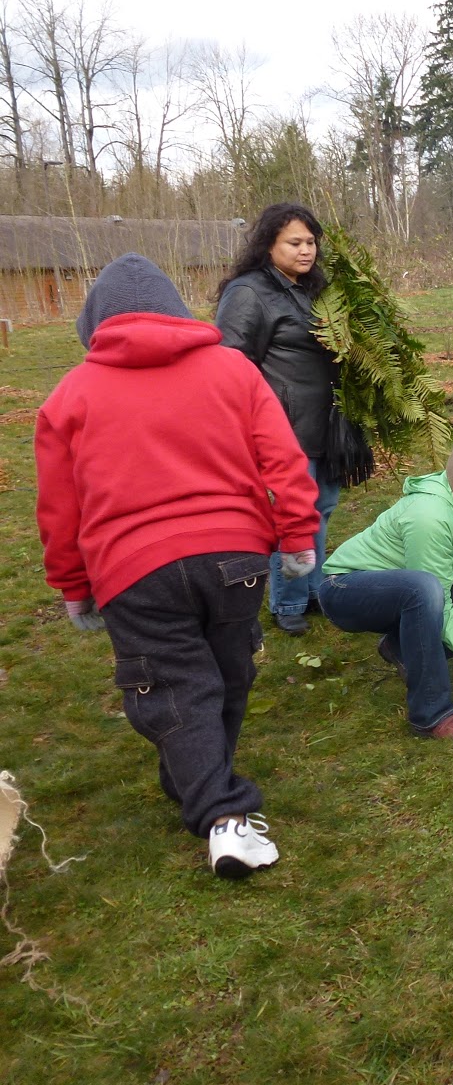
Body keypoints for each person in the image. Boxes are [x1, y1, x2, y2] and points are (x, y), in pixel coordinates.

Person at [35, 255, 321, 878]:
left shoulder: (69, 396)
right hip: (235, 555)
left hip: (134, 569)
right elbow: (283, 459)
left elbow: (60, 509)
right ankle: (204, 788)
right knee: (226, 670)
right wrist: (298, 534)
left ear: (94, 322)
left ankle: (222, 815)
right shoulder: (233, 370)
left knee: (174, 684)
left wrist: (73, 585)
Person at [318, 425, 453, 743]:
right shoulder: (430, 516)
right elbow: (432, 589)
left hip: (413, 589)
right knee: (423, 589)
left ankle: (400, 647)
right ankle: (432, 714)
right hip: (347, 589)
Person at [215, 202, 342, 635]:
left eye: (311, 242)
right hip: (282, 427)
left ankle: (314, 591)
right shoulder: (249, 292)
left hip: (323, 422)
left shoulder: (311, 289)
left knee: (320, 509)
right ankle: (287, 603)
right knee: (291, 514)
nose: (306, 251)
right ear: (269, 244)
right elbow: (230, 362)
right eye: (295, 242)